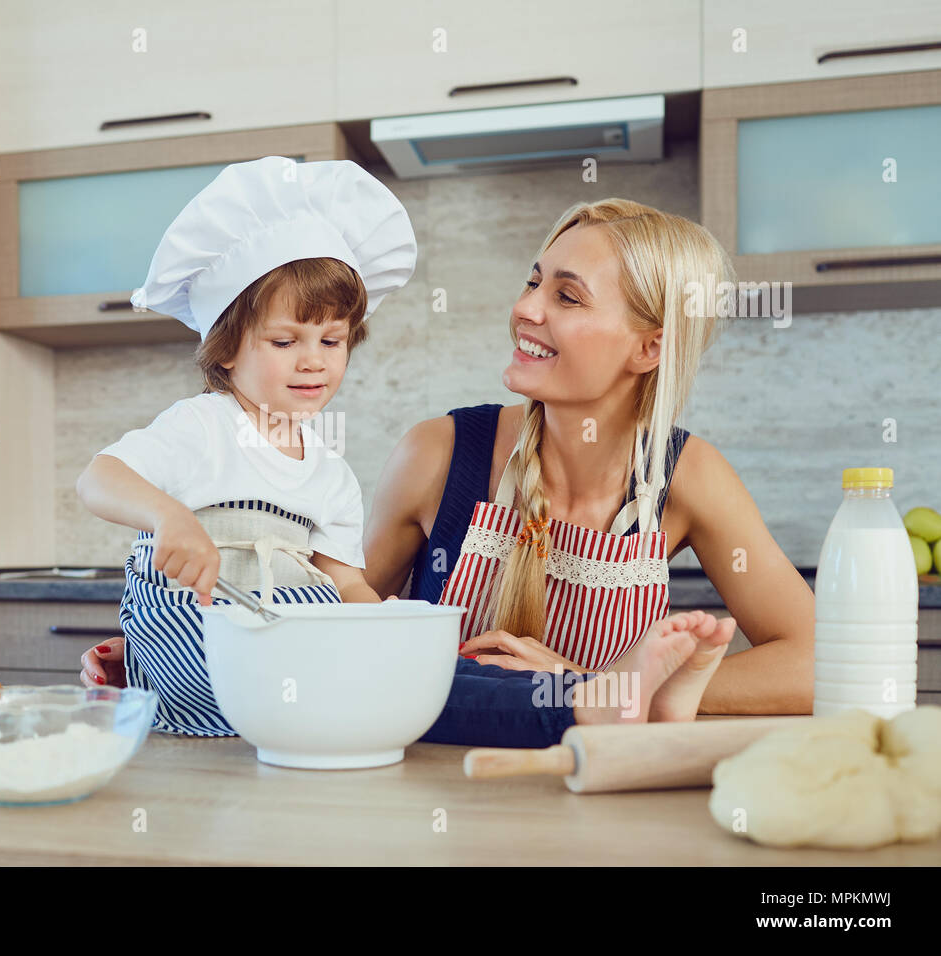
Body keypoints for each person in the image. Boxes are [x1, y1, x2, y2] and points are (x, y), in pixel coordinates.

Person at [360, 198, 814, 746]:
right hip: (432, 799)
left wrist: (610, 687)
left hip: (591, 802)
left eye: (566, 296)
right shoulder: (438, 454)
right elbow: (336, 637)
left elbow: (814, 662)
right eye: (533, 282)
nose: (526, 309)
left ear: (650, 347)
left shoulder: (686, 476)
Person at [75, 156, 417, 736]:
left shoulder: (332, 475)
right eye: (286, 340)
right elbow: (97, 479)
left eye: (332, 340)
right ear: (227, 348)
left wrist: (394, 632)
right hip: (193, 695)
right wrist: (169, 517)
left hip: (287, 707)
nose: (314, 360)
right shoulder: (201, 427)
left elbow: (346, 582)